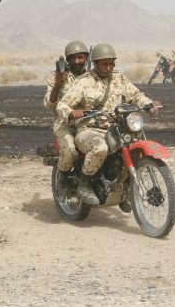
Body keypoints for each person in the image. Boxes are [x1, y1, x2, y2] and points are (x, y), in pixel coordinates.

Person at [56, 43, 162, 206]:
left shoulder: (119, 79)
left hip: (116, 127)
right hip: (89, 129)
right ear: (96, 63)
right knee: (100, 148)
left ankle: (125, 190)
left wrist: (149, 104)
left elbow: (136, 95)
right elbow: (62, 104)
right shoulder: (83, 82)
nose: (108, 67)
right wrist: (72, 112)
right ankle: (84, 185)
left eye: (111, 63)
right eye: (104, 64)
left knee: (133, 147)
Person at [44, 40, 91, 177]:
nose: (77, 61)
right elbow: (49, 104)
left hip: (89, 121)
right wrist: (58, 84)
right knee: (70, 150)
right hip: (65, 123)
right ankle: (63, 179)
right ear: (68, 59)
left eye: (80, 57)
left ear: (86, 59)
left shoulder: (92, 76)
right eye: (73, 58)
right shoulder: (56, 76)